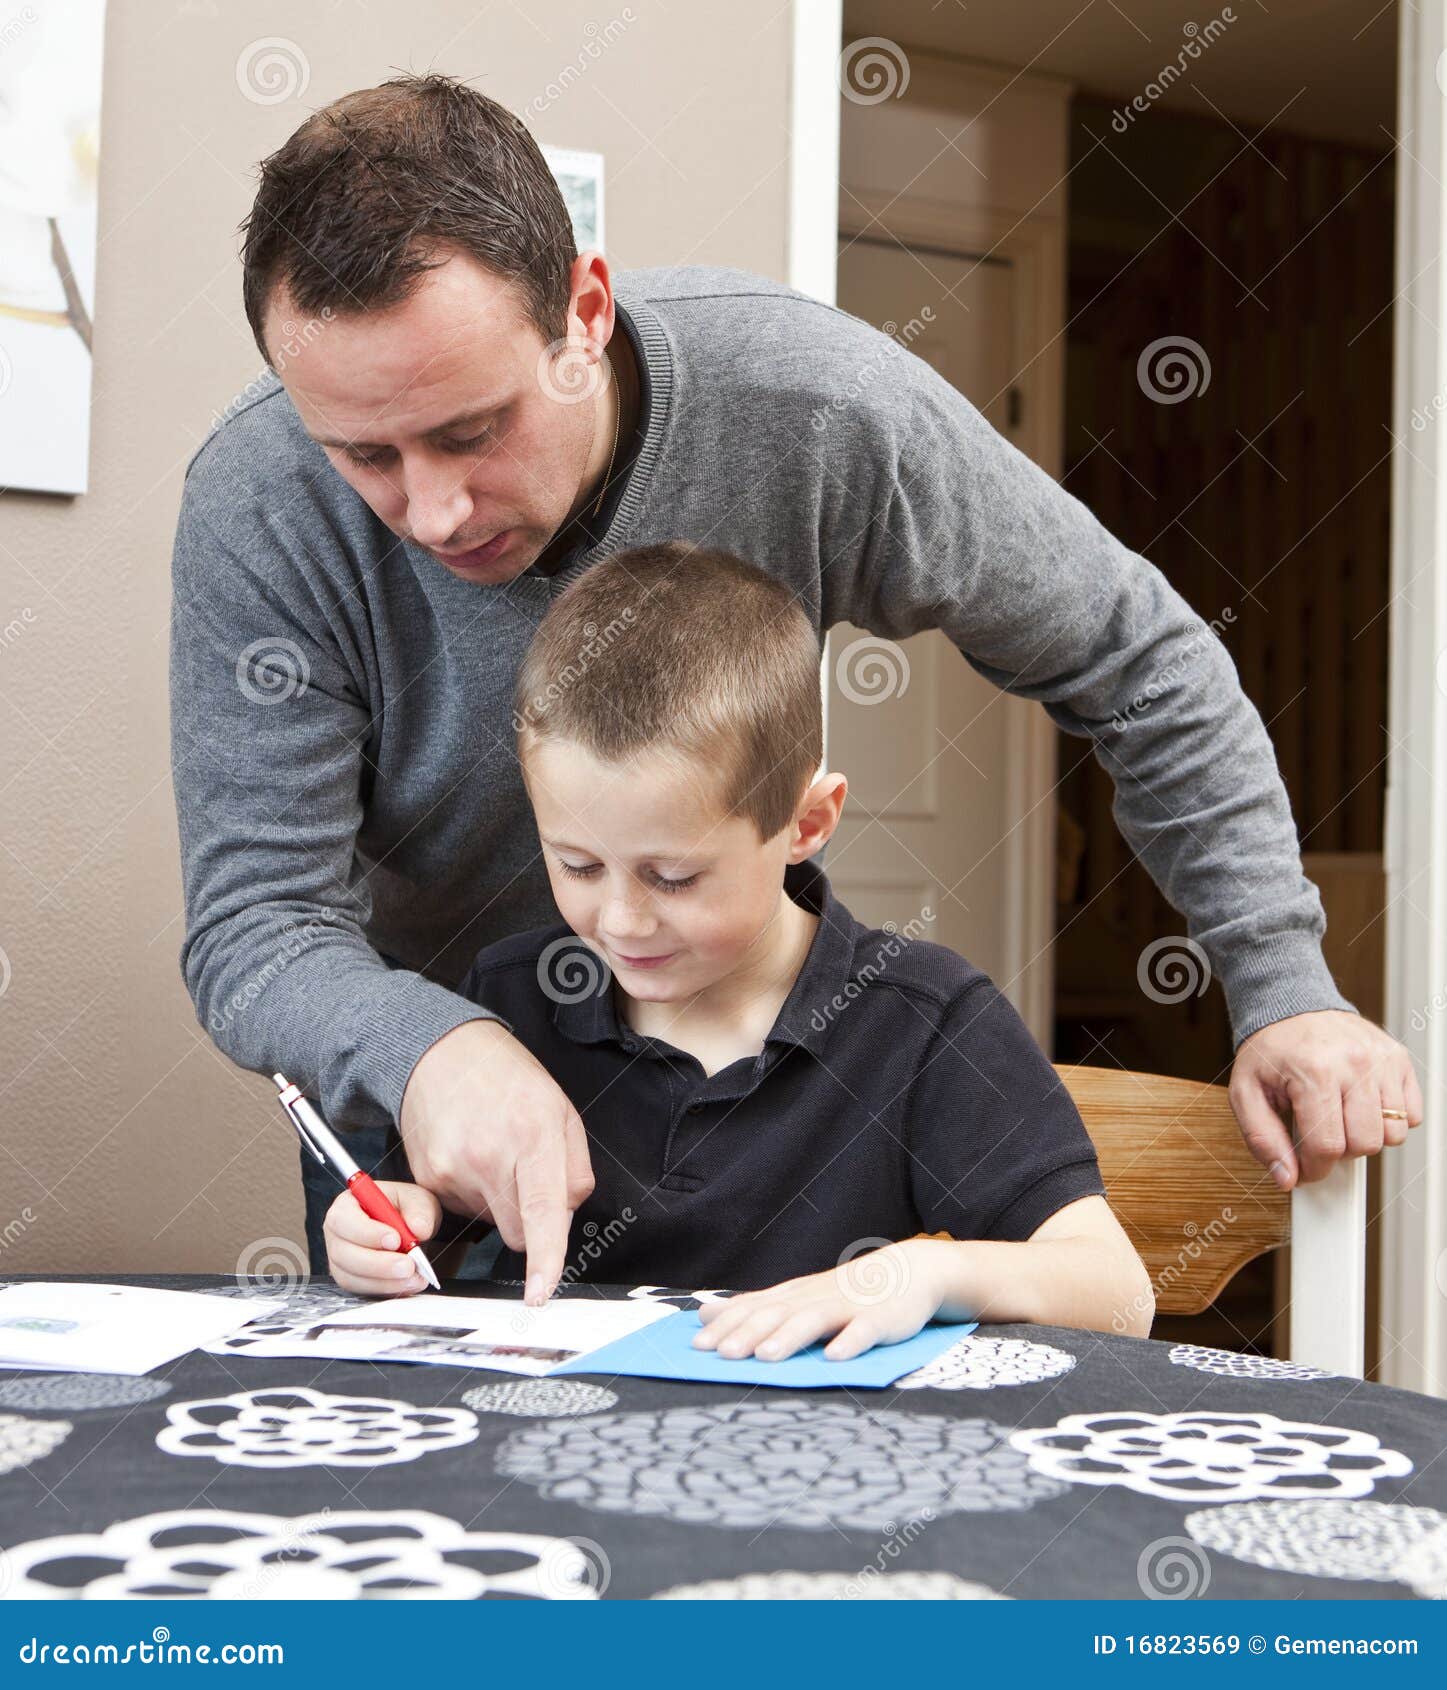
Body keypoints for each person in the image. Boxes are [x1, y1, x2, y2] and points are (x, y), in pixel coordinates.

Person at [169, 74, 1420, 1308]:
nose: (430, 511)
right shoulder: (259, 498)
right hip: (437, 1156)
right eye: (364, 455)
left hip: (760, 1114)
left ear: (584, 311)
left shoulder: (815, 411)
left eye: (473, 430)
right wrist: (431, 1051)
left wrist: (1282, 986)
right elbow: (256, 925)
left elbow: (1137, 656)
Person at [322, 544, 1154, 1355]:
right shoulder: (509, 1001)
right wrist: (385, 1231)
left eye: (673, 877)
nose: (619, 921)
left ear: (806, 824)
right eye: (576, 864)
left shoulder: (921, 1024)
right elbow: (426, 1227)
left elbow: (1118, 1295)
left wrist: (926, 1273)